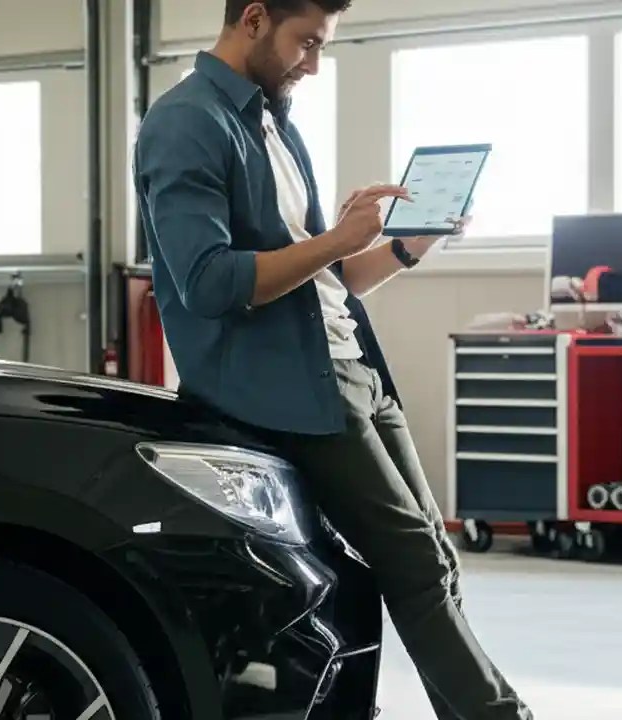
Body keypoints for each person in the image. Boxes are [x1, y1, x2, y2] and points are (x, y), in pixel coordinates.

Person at [133, 1, 533, 718]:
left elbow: (324, 280)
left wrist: (409, 245)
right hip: (288, 388)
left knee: (434, 562)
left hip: (350, 369)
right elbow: (210, 283)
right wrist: (339, 238)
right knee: (414, 561)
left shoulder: (273, 124)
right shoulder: (186, 123)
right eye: (306, 43)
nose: (312, 64)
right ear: (253, 19)